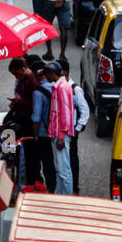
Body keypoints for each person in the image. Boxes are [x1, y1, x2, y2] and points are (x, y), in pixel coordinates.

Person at [44, 61, 76, 195]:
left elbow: (65, 113)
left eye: (46, 74)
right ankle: (59, 196)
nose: (45, 77)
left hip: (60, 134)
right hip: (56, 134)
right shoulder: (60, 86)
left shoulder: (62, 88)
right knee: (59, 169)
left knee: (64, 171)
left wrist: (61, 136)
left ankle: (67, 199)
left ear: (52, 74)